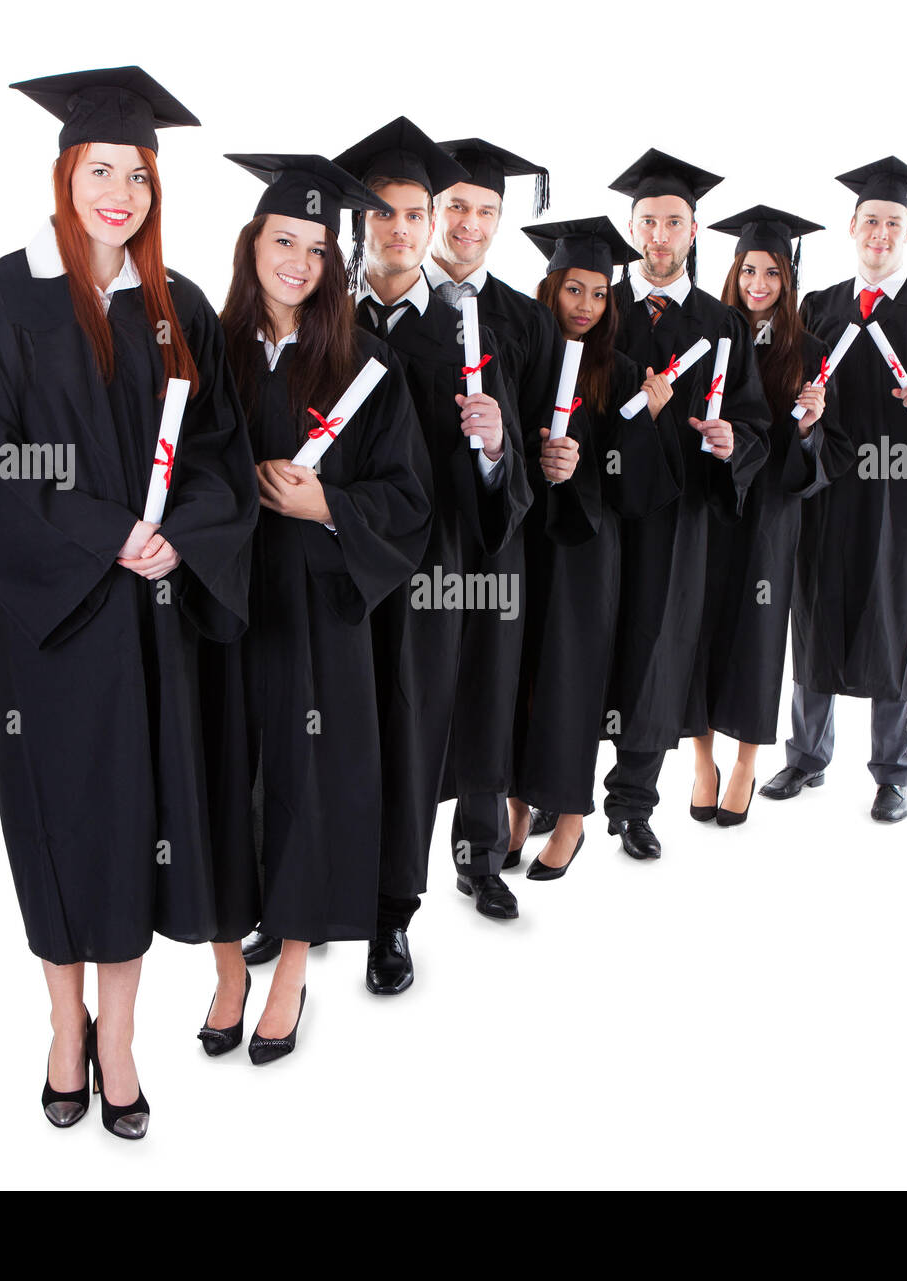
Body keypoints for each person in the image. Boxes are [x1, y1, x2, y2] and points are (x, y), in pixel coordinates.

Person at [0, 67, 258, 1137]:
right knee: (59, 818)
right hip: (55, 621)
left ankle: (116, 1038)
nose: (119, 192)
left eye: (138, 174)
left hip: (156, 618)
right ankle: (61, 1021)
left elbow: (218, 455)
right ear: (66, 172)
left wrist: (184, 538)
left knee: (138, 823)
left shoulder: (181, 311)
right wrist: (104, 535)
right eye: (100, 170)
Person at [206, 153, 432, 1054]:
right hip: (220, 599)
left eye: (315, 245)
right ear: (252, 244)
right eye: (282, 239)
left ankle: (293, 967)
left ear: (336, 260)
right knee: (219, 774)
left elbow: (410, 500)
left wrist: (326, 503)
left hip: (316, 602)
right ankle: (229, 965)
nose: (299, 259)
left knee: (309, 782)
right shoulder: (206, 348)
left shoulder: (364, 364)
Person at [332, 117, 532, 995]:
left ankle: (388, 915)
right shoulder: (323, 320)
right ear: (361, 224)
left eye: (417, 213)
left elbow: (504, 470)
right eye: (385, 214)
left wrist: (495, 448)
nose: (403, 229)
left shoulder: (464, 332)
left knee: (408, 739)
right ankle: (299, 899)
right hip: (331, 568)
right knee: (316, 730)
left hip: (425, 576)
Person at [760, 158, 907, 823]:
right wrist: (801, 421)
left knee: (896, 622)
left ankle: (894, 772)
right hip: (827, 486)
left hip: (897, 493)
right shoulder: (818, 308)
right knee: (813, 612)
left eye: (894, 223)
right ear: (851, 227)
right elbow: (788, 397)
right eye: (871, 221)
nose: (880, 234)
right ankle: (806, 755)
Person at [602, 149, 770, 858]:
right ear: (632, 226)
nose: (661, 236)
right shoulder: (595, 307)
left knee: (656, 652)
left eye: (675, 222)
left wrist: (736, 440)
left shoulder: (723, 324)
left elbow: (756, 420)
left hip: (682, 517)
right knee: (585, 645)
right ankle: (554, 795)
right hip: (599, 507)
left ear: (695, 230)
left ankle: (634, 803)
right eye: (649, 221)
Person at [513, 217, 680, 875]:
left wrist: (651, 419)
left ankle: (573, 817)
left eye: (598, 293)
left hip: (586, 551)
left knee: (572, 680)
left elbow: (639, 485)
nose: (584, 305)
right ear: (549, 288)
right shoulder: (524, 356)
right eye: (572, 289)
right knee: (519, 676)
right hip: (525, 540)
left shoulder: (624, 371)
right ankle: (519, 806)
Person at [684, 206, 852, 824]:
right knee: (699, 632)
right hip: (711, 503)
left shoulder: (809, 350)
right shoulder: (709, 336)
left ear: (788, 281)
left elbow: (830, 450)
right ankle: (702, 761)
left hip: (771, 514)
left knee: (757, 639)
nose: (758, 284)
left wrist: (809, 428)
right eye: (749, 270)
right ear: (733, 273)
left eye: (772, 274)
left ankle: (748, 762)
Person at [427, 138, 564, 851]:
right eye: (456, 206)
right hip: (411, 538)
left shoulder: (527, 320)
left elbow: (540, 442)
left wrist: (525, 453)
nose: (469, 223)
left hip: (494, 534)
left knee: (487, 686)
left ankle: (479, 853)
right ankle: (383, 884)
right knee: (403, 697)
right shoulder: (384, 308)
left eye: (485, 209)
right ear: (431, 209)